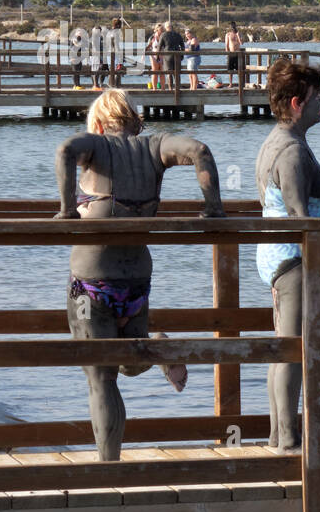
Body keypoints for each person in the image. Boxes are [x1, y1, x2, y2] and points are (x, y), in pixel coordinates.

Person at [54, 89, 225, 460]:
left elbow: (66, 150)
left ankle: (109, 470)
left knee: (102, 380)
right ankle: (157, 344)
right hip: (136, 282)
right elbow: (199, 150)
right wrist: (214, 211)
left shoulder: (95, 145)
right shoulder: (154, 147)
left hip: (90, 285)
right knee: (129, 365)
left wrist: (68, 210)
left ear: (98, 123)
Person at [254, 60, 320, 451]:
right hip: (294, 258)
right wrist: (316, 255)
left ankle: (278, 436)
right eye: (319, 98)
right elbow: (299, 214)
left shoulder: (277, 139)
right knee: (294, 348)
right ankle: (287, 441)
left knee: (284, 344)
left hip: (277, 255)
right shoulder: (291, 151)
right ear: (299, 103)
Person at [159, 22, 185, 90]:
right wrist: (182, 55)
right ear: (172, 27)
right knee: (177, 73)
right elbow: (182, 46)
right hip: (177, 55)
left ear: (165, 27)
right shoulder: (177, 35)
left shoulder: (163, 35)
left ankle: (170, 89)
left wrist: (157, 56)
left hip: (167, 56)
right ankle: (177, 89)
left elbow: (159, 46)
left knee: (169, 73)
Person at [224, 21, 242, 88]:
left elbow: (241, 43)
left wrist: (238, 36)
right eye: (232, 26)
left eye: (234, 26)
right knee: (230, 70)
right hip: (231, 53)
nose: (233, 28)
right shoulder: (228, 34)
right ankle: (230, 83)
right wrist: (227, 53)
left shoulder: (238, 33)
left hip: (238, 54)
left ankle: (240, 83)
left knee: (239, 69)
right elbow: (226, 45)